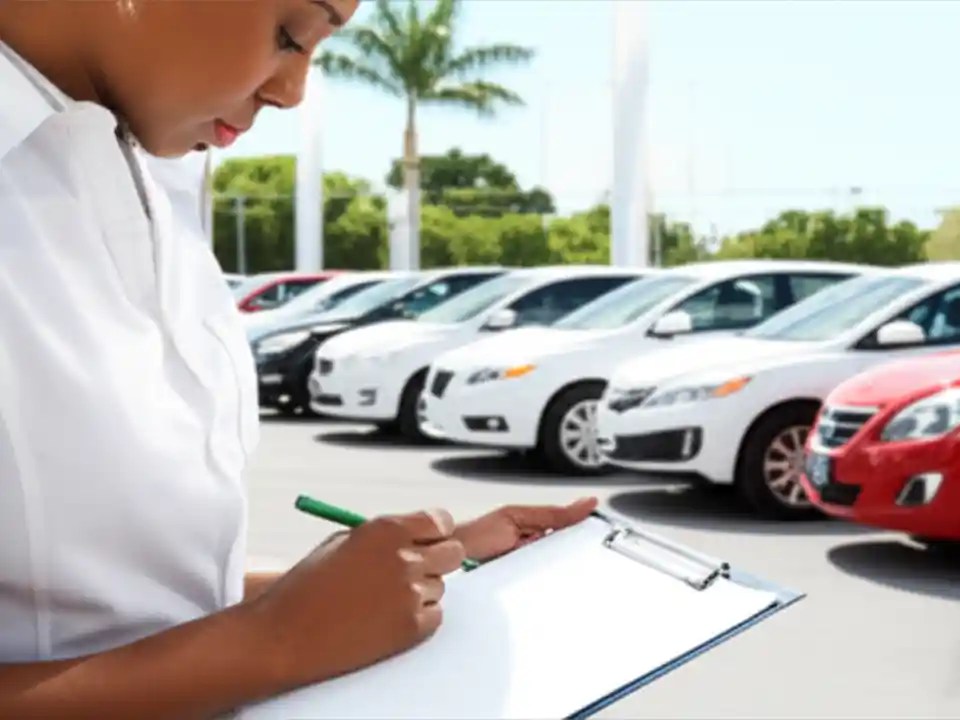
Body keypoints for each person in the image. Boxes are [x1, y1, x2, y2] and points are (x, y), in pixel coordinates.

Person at [0, 2, 597, 717]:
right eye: (291, 34)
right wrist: (276, 641)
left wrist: (414, 576)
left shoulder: (149, 177)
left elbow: (124, 604)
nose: (292, 91)